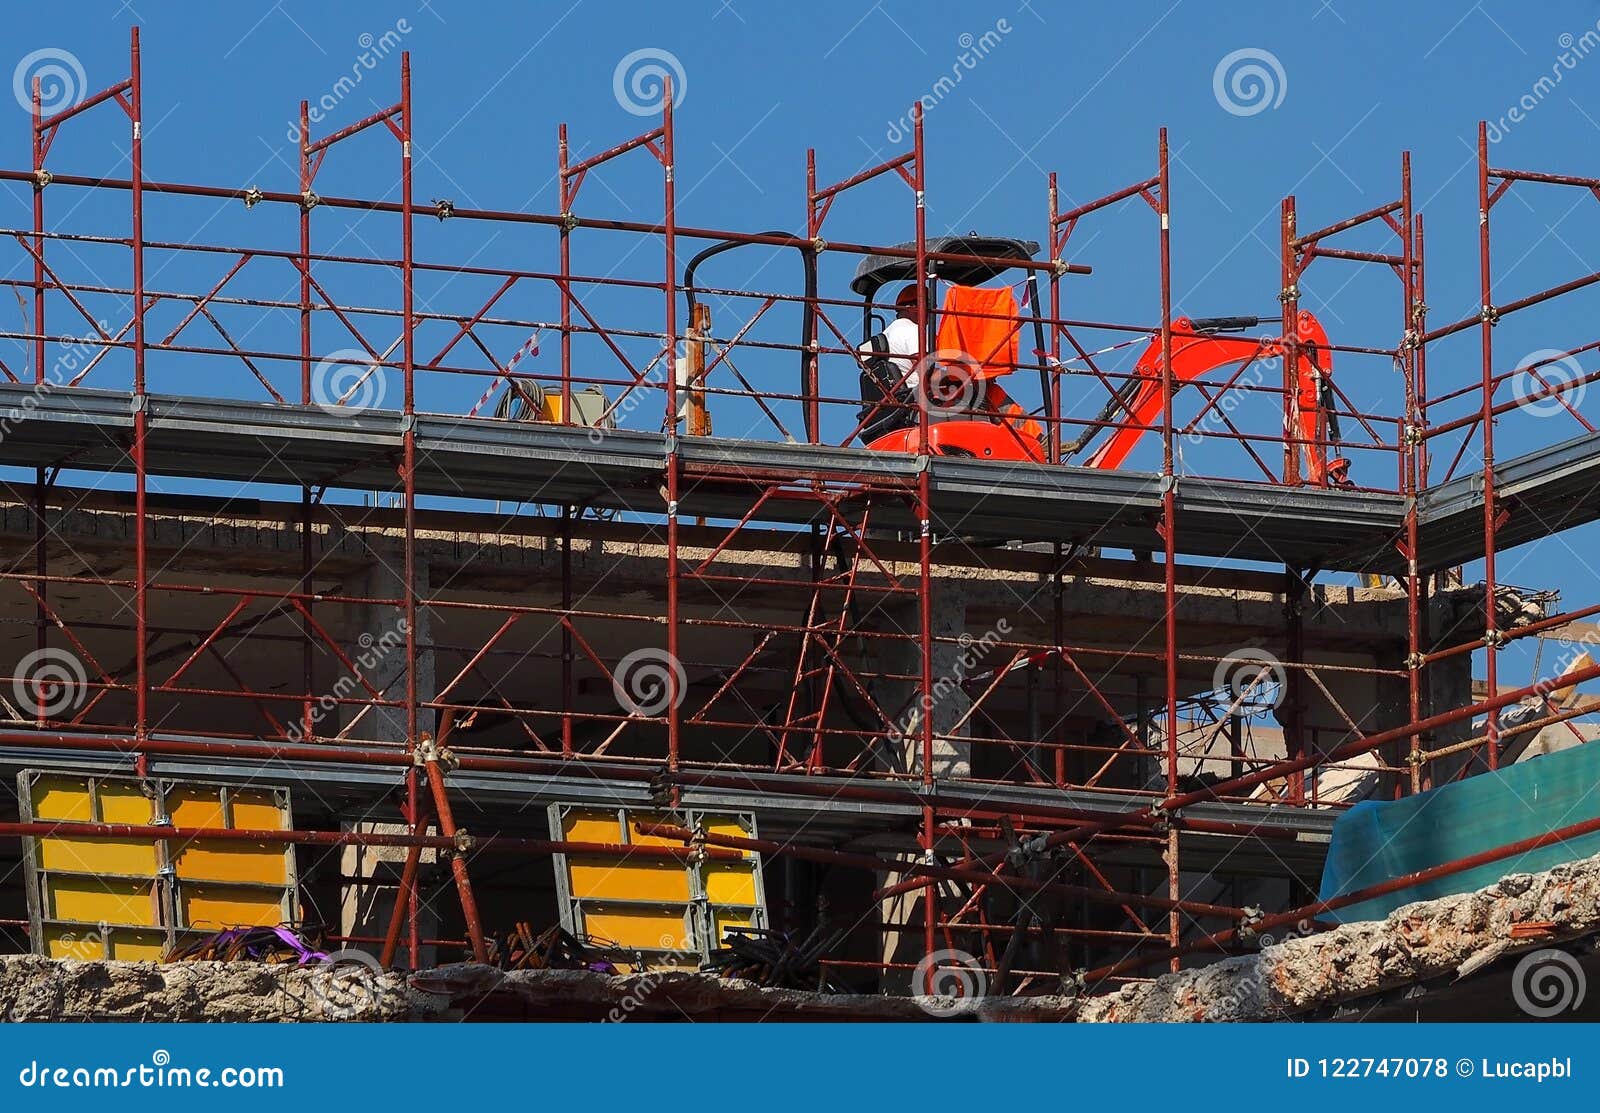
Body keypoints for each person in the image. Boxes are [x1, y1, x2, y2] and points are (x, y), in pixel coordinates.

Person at [857, 285, 928, 440]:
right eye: (931, 306)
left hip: (894, 412)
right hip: (916, 407)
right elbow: (926, 373)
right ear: (914, 307)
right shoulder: (913, 331)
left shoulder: (887, 334)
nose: (932, 313)